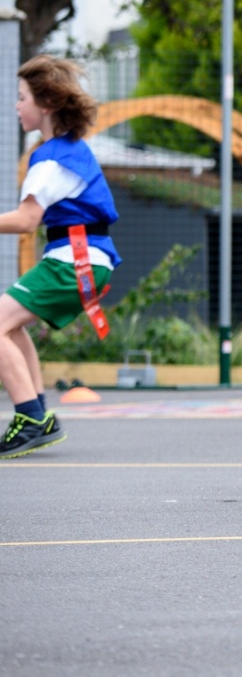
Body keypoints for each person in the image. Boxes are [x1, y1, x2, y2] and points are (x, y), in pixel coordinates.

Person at [0, 57, 119, 458]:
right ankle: (40, 416)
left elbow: (26, 220)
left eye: (22, 98)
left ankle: (30, 417)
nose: (16, 106)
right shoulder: (67, 150)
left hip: (75, 260)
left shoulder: (51, 158)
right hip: (81, 258)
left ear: (45, 103)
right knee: (10, 326)